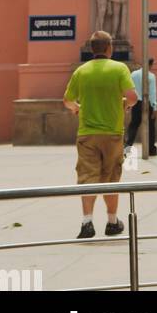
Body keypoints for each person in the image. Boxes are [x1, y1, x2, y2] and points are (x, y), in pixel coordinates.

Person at [63, 30, 137, 239]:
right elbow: (132, 97)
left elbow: (67, 100)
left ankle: (87, 222)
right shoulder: (119, 68)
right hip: (113, 133)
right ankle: (112, 222)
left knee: (87, 177)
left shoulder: (81, 71)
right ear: (109, 48)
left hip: (87, 134)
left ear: (91, 49)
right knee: (111, 177)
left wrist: (76, 108)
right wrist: (124, 104)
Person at [126, 57, 157, 155]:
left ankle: (127, 148)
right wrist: (155, 107)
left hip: (136, 103)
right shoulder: (151, 76)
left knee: (133, 126)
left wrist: (128, 103)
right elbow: (152, 92)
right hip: (147, 103)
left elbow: (129, 89)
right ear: (150, 65)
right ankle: (151, 149)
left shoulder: (133, 74)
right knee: (150, 127)